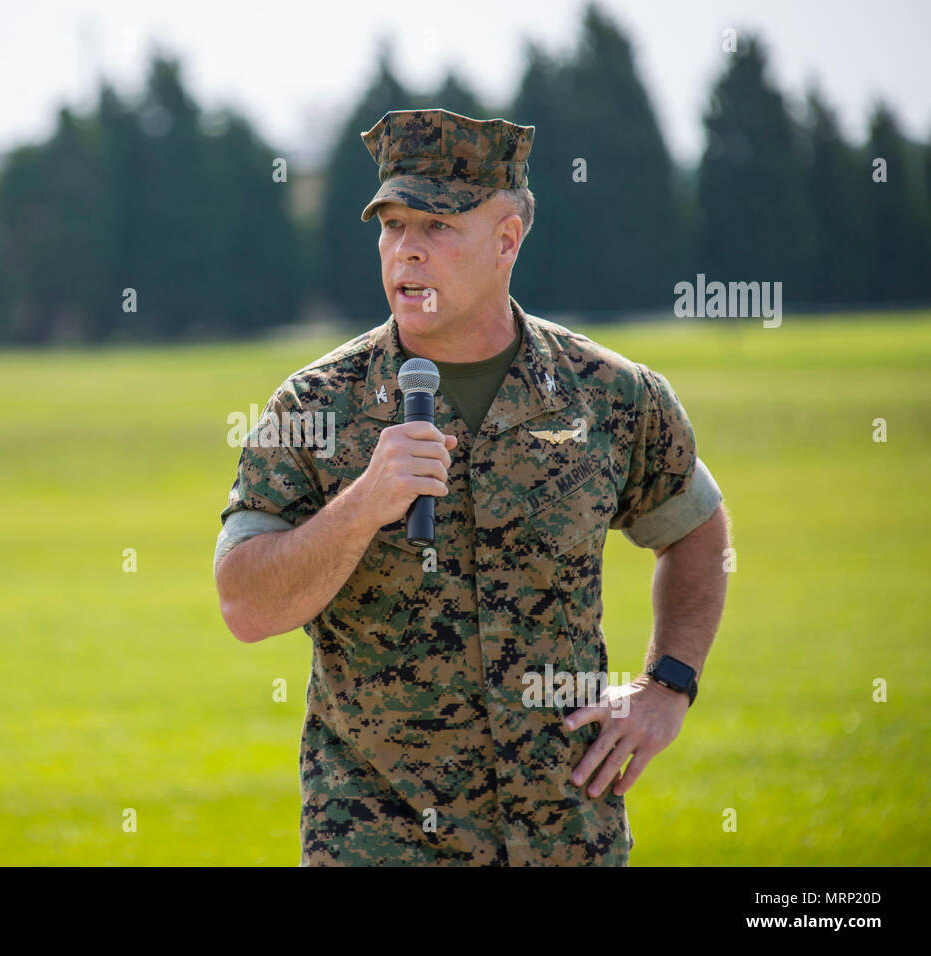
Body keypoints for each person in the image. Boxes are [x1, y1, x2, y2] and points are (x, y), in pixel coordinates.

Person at [213, 108, 730, 866]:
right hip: (378, 841)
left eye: (437, 227)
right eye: (392, 225)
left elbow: (695, 528)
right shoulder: (314, 406)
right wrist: (363, 503)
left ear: (507, 242)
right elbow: (244, 603)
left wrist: (668, 684)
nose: (407, 251)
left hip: (565, 836)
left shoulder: (612, 396)